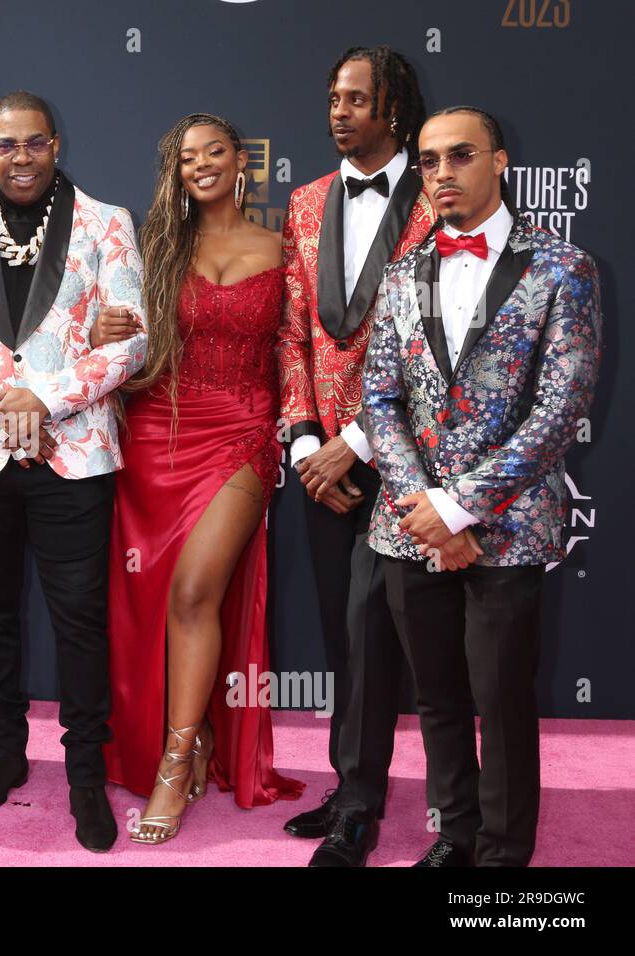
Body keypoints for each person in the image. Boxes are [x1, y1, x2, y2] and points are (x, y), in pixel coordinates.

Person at [0, 90, 147, 853]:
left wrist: (39, 398)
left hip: (70, 454)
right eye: (6, 145)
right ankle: (6, 752)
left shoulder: (108, 223)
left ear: (56, 144)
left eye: (34, 143)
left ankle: (84, 774)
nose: (19, 157)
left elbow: (129, 341)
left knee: (79, 620)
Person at [363, 107, 601, 867]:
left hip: (509, 525)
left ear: (499, 162)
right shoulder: (402, 275)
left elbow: (562, 406)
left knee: (501, 704)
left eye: (458, 156)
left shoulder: (563, 267)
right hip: (410, 527)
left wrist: (460, 506)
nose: (441, 174)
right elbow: (379, 400)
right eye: (428, 161)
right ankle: (454, 835)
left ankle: (501, 858)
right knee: (437, 700)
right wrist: (423, 506)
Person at [95, 114, 304, 844]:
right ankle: (190, 735)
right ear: (177, 173)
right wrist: (102, 336)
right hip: (155, 430)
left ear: (241, 162)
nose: (202, 164)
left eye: (215, 151)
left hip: (242, 434)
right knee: (151, 598)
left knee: (193, 591)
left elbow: (301, 350)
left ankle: (176, 763)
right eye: (188, 158)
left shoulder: (284, 248)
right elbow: (111, 333)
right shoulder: (155, 247)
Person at [276, 46, 434, 865]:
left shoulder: (437, 199)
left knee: (378, 631)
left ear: (392, 111)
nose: (338, 112)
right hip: (319, 463)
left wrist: (358, 445)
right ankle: (352, 782)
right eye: (333, 97)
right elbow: (293, 328)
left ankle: (361, 811)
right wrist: (305, 438)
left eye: (356, 100)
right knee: (345, 635)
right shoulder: (305, 201)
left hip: (404, 455)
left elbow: (437, 342)